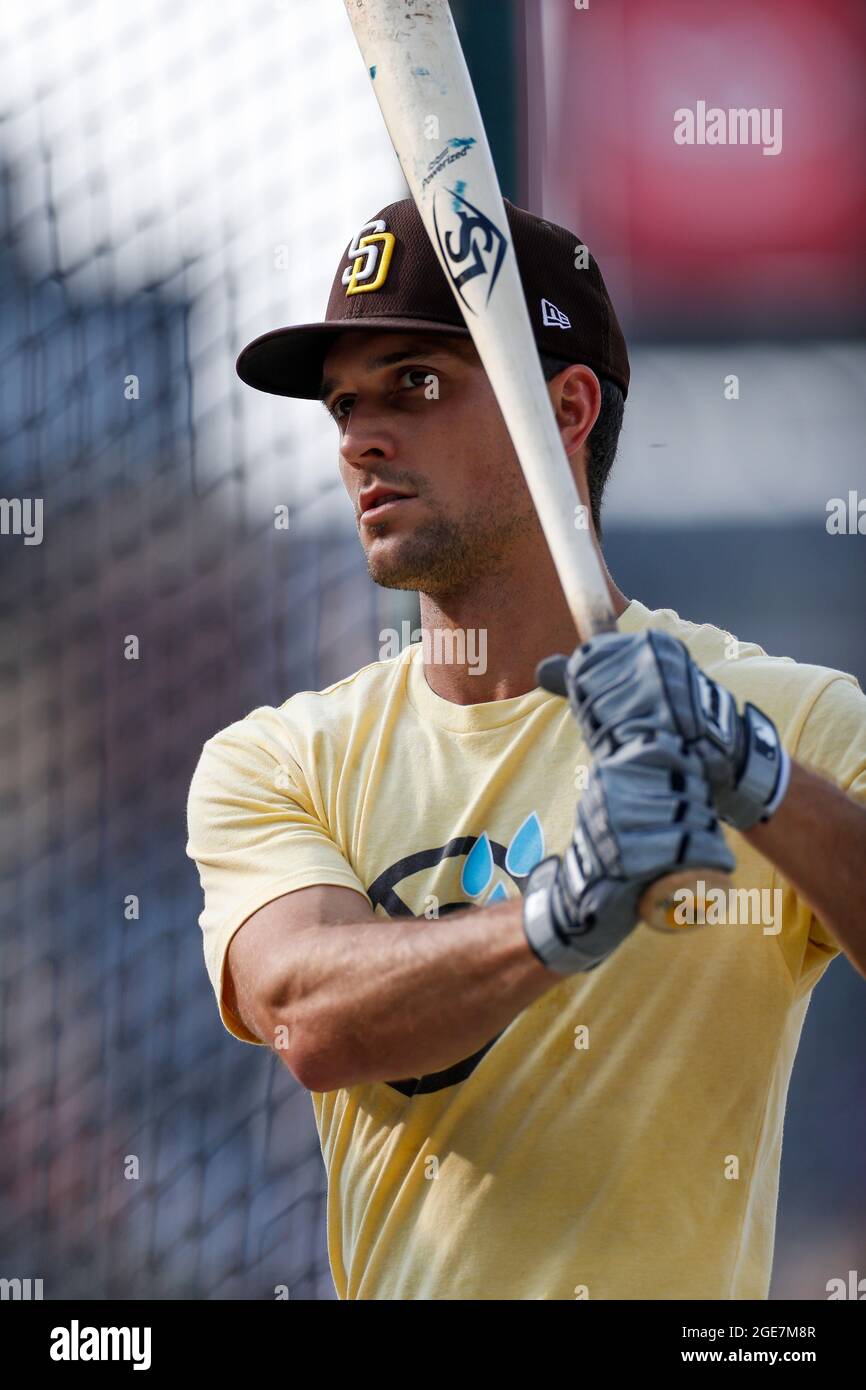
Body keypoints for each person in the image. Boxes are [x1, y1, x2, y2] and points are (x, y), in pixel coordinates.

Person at [186, 197, 866, 1300]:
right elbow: (305, 1012)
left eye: (415, 384)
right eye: (344, 403)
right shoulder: (280, 759)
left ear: (566, 407)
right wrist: (558, 916)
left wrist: (764, 783)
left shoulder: (779, 718)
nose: (360, 436)